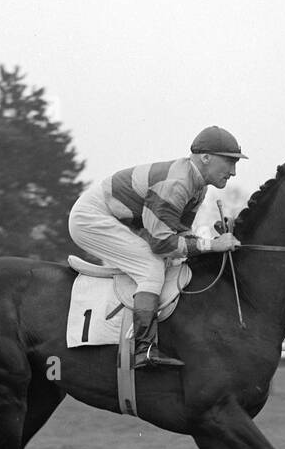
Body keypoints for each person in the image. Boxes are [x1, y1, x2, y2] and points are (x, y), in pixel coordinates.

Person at [68, 125, 245, 367]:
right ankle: (143, 350)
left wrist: (210, 242)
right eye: (229, 162)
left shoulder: (198, 187)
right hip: (91, 218)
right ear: (206, 157)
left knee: (171, 261)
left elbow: (180, 234)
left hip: (118, 218)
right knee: (151, 266)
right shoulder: (177, 184)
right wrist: (211, 246)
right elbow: (161, 244)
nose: (234, 171)